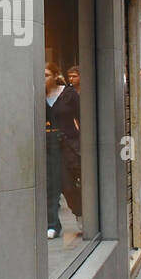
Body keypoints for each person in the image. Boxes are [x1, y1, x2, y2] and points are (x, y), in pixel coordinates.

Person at [45, 63, 82, 239]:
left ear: (55, 75)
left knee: (68, 186)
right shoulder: (38, 95)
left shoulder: (69, 94)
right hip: (47, 146)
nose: (43, 78)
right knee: (50, 186)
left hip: (68, 145)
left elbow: (82, 117)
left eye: (46, 75)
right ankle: (52, 224)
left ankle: (81, 214)